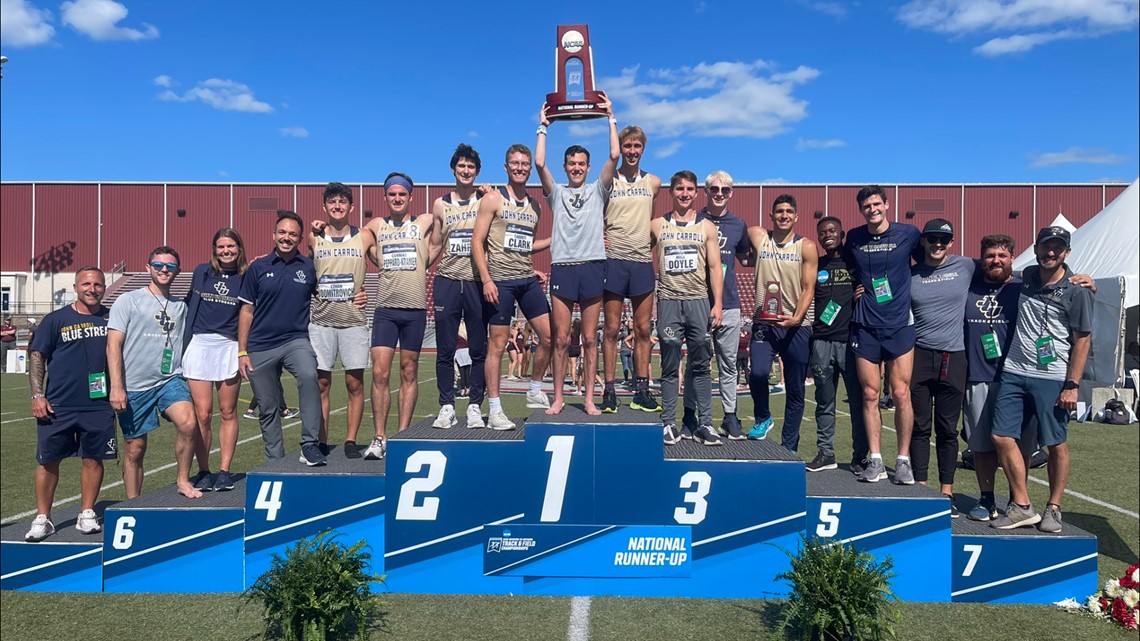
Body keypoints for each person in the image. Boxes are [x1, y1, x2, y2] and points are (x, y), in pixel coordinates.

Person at [990, 226, 1094, 532]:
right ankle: (1022, 505)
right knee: (1001, 436)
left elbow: (1083, 340)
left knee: (1055, 444)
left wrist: (1072, 385)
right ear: (1036, 248)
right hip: (1014, 371)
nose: (1051, 252)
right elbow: (995, 268)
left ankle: (1054, 507)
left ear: (1067, 252)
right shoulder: (1025, 278)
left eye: (1057, 248)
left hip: (1053, 376)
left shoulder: (1077, 290)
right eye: (1045, 246)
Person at [534, 95, 619, 414]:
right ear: (566, 167)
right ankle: (557, 397)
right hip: (564, 269)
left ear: (587, 167)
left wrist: (611, 117)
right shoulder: (556, 194)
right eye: (572, 164)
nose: (577, 169)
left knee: (589, 340)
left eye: (582, 164)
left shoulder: (599, 190)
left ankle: (587, 399)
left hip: (593, 268)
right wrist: (543, 127)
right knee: (559, 340)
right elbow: (539, 164)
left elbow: (614, 154)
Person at [25, 267, 116, 541]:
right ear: (76, 287)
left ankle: (86, 512)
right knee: (49, 460)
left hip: (99, 403)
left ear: (104, 287)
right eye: (86, 284)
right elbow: (38, 356)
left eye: (98, 284)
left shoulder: (112, 318)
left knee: (93, 459)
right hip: (58, 404)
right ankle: (43, 517)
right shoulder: (56, 319)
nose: (92, 289)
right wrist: (37, 395)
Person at [107, 247, 200, 499]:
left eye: (170, 267)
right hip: (135, 385)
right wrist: (116, 386)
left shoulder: (181, 306)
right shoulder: (128, 300)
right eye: (158, 265)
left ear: (177, 272)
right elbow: (113, 344)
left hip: (170, 379)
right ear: (148, 267)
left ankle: (182, 479)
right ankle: (133, 502)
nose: (163, 270)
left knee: (188, 422)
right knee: (135, 448)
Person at [473, 144, 555, 429]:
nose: (520, 168)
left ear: (530, 168)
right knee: (496, 346)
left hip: (526, 279)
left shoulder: (535, 206)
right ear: (506, 167)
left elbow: (525, 246)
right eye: (515, 163)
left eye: (524, 164)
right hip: (500, 282)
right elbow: (477, 243)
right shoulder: (493, 199)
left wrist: (556, 240)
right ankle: (495, 409)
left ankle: (534, 389)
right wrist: (486, 280)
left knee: (549, 336)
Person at [846, 185, 921, 484]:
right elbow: (850, 270)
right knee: (870, 394)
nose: (872, 209)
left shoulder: (909, 233)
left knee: (901, 393)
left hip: (900, 323)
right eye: (867, 206)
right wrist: (854, 289)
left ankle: (903, 461)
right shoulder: (854, 237)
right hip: (865, 324)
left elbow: (927, 261)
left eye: (877, 204)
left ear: (887, 205)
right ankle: (875, 460)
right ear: (861, 210)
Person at [238, 211, 326, 466]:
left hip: (295, 340)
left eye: (293, 234)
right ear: (274, 235)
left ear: (299, 239)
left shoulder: (309, 267)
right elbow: (246, 311)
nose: (287, 238)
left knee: (309, 375)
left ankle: (309, 444)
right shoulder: (258, 267)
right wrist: (242, 351)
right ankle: (274, 459)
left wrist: (357, 297)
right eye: (282, 233)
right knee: (267, 407)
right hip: (260, 346)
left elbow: (327, 293)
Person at [363, 172, 434, 456]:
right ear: (385, 197)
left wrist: (482, 193)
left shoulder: (424, 221)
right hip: (386, 310)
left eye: (402, 194)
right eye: (392, 194)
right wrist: (318, 229)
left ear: (410, 197)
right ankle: (379, 437)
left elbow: (455, 214)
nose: (397, 198)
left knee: (409, 371)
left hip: (415, 309)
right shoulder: (376, 225)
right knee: (380, 373)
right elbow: (351, 239)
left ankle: (403, 435)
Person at [908, 219, 975, 515]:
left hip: (954, 357)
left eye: (943, 240)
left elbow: (1007, 273)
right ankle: (921, 487)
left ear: (951, 243)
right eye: (932, 239)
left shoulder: (966, 266)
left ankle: (946, 491)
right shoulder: (909, 273)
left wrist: (1074, 277)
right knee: (919, 427)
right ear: (923, 241)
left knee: (948, 430)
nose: (938, 244)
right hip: (919, 355)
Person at [653, 170, 723, 446]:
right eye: (679, 188)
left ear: (696, 193)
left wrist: (717, 304)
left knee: (702, 366)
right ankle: (668, 422)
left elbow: (715, 267)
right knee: (670, 366)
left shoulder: (707, 227)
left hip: (699, 302)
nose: (684, 193)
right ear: (671, 192)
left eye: (689, 189)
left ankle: (704, 423)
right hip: (669, 302)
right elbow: (637, 252)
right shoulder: (657, 225)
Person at [306, 182, 375, 458]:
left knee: (354, 383)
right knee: (321, 383)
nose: (337, 206)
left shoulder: (366, 236)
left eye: (342, 202)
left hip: (353, 321)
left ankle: (350, 440)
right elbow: (307, 272)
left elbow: (385, 266)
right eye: (332, 202)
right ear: (325, 207)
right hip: (321, 321)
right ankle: (322, 441)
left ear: (351, 207)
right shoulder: (314, 237)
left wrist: (367, 292)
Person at [745, 195, 818, 451]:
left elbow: (809, 288)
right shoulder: (758, 236)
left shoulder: (806, 246)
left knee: (795, 389)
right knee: (758, 373)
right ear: (771, 216)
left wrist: (797, 317)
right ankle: (763, 417)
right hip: (765, 323)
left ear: (796, 217)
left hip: (797, 325)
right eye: (779, 211)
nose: (784, 215)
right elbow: (738, 238)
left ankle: (789, 446)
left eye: (789, 211)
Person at [682, 171, 751, 440]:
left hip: (731, 304)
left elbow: (745, 257)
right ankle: (690, 415)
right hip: (698, 300)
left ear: (731, 193)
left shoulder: (738, 225)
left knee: (728, 364)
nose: (719, 194)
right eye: (714, 189)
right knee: (695, 363)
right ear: (706, 191)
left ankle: (730, 417)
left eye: (724, 190)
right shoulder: (695, 220)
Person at [601, 125, 662, 413]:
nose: (632, 151)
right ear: (621, 148)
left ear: (643, 149)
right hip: (614, 261)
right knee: (611, 329)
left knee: (643, 330)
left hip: (641, 263)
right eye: (628, 146)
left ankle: (641, 389)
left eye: (637, 146)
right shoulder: (608, 181)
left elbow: (650, 221)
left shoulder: (653, 182)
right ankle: (610, 390)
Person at [182, 228, 249, 492]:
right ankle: (203, 470)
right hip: (200, 344)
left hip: (229, 346)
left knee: (229, 411)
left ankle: (224, 471)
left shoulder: (246, 276)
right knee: (203, 414)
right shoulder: (202, 272)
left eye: (231, 246)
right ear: (214, 250)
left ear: (239, 248)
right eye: (221, 247)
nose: (226, 251)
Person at [430, 145, 490, 430]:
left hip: (477, 282)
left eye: (471, 167)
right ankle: (447, 406)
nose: (466, 171)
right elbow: (435, 243)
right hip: (448, 281)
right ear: (454, 169)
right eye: (461, 166)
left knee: (478, 348)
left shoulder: (487, 199)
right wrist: (417, 268)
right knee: (445, 349)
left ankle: (475, 406)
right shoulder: (440, 204)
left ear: (477, 171)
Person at [807, 217, 869, 473]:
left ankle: (860, 457)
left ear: (841, 233)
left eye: (832, 230)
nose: (827, 235)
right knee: (824, 402)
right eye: (822, 233)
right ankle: (826, 453)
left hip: (851, 341)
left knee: (857, 402)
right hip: (821, 341)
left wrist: (863, 293)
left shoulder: (856, 263)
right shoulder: (817, 265)